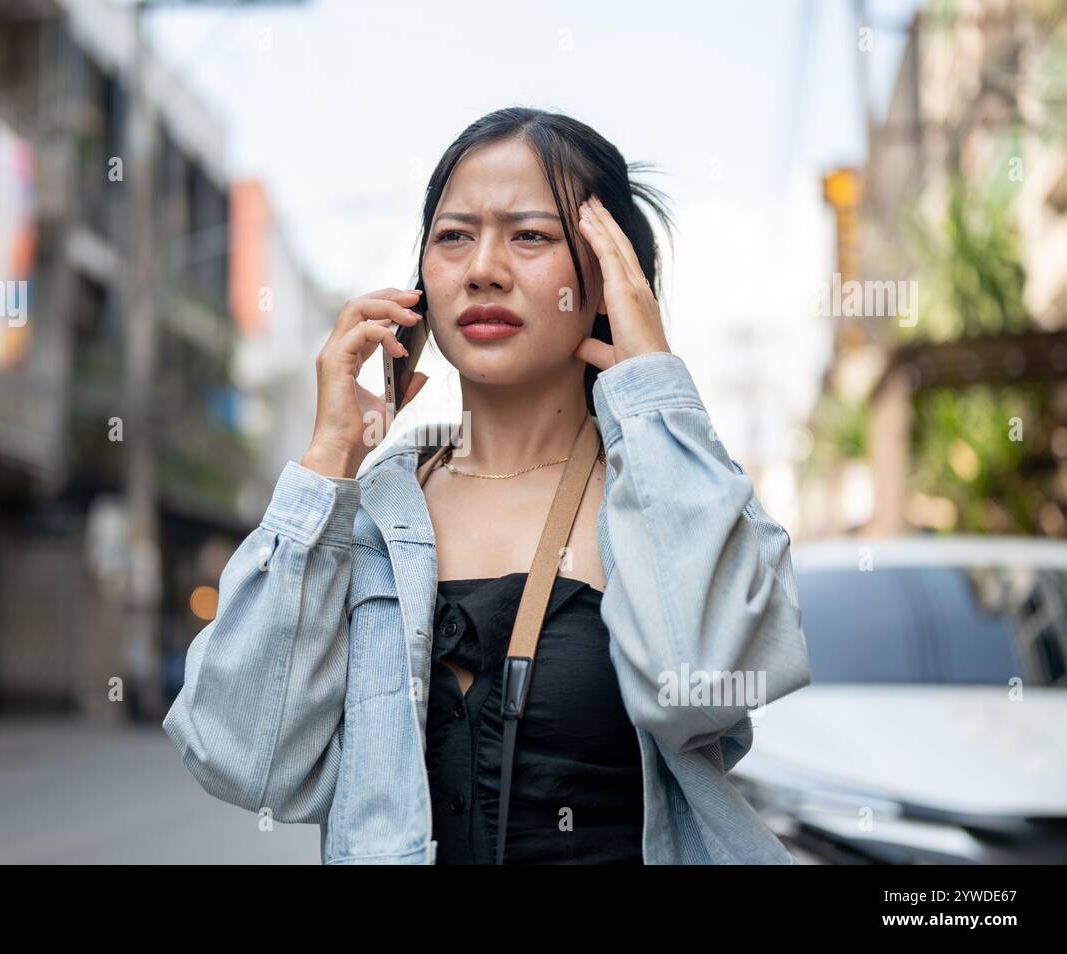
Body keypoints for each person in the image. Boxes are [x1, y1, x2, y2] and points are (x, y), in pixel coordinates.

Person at [163, 106, 811, 864]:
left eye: (531, 235)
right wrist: (328, 460)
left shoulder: (664, 493)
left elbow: (702, 693)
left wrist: (656, 393)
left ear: (609, 277)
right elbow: (244, 759)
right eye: (454, 237)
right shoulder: (370, 516)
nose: (484, 269)